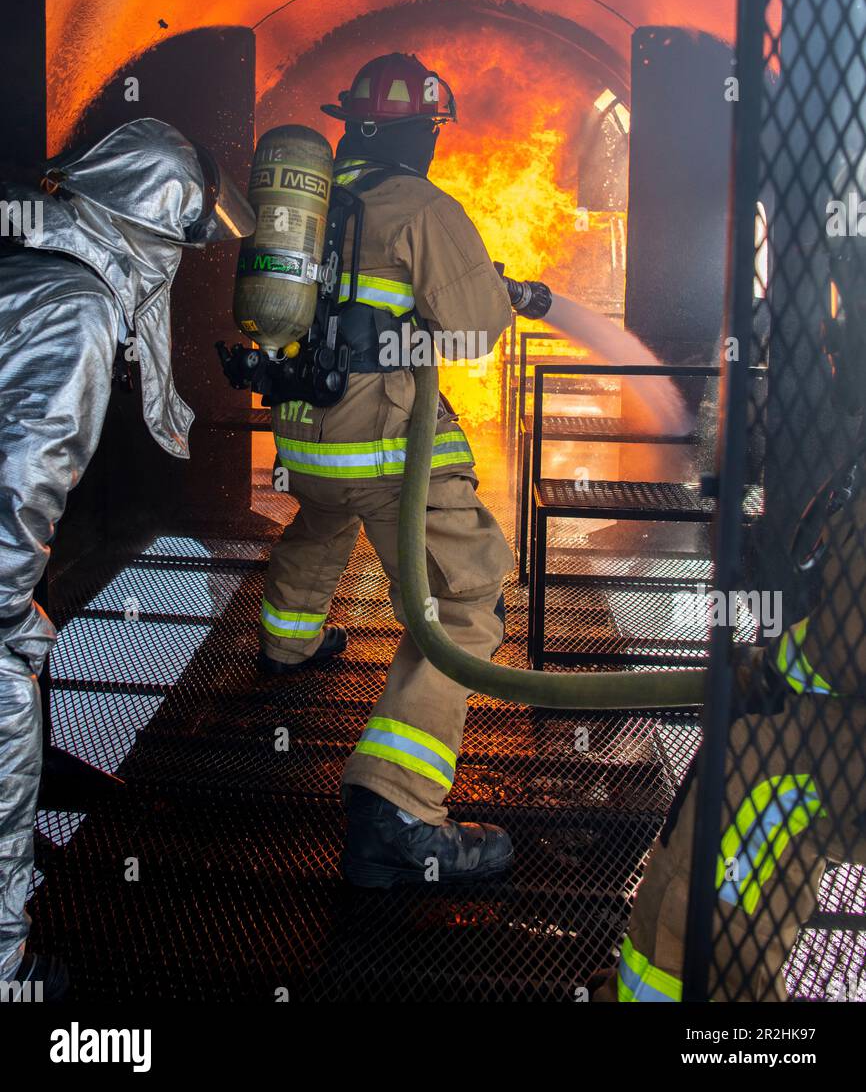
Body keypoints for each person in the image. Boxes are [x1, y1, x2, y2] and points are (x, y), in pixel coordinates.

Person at [258, 53, 542, 888]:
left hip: (306, 447)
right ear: (423, 133)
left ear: (350, 124)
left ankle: (286, 647)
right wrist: (476, 302)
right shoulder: (420, 204)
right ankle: (398, 809)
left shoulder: (308, 207)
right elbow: (477, 328)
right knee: (463, 599)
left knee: (319, 523)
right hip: (382, 453)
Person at [594, 168, 866, 1003]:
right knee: (721, 780)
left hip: (836, 730)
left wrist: (780, 662)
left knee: (753, 794)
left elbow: (845, 649)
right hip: (834, 709)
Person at [0, 118, 254, 999]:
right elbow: (18, 481)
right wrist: (7, 631)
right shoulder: (74, 306)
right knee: (3, 758)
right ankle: (9, 977)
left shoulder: (29, 259)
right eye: (180, 242)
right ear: (148, 230)